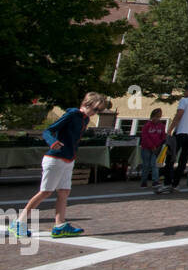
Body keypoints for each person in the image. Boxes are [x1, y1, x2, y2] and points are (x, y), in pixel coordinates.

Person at [8, 93, 111, 238]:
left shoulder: (85, 119)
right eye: (95, 109)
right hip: (55, 158)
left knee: (64, 192)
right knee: (45, 192)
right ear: (86, 104)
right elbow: (48, 130)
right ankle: (18, 223)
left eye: (98, 111)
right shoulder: (72, 115)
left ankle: (60, 225)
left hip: (68, 159)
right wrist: (53, 142)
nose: (95, 113)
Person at [159, 86, 188, 194]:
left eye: (185, 90)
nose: (184, 92)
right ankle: (176, 184)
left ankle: (167, 183)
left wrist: (170, 129)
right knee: (183, 160)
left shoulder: (184, 101)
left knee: (171, 158)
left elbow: (179, 115)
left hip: (181, 132)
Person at [138, 108, 167, 187]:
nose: (157, 119)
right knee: (146, 165)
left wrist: (158, 146)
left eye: (159, 117)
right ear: (152, 116)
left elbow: (163, 137)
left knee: (155, 164)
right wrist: (151, 146)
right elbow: (145, 136)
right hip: (146, 148)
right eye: (156, 117)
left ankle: (155, 181)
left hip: (156, 148)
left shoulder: (161, 126)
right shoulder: (147, 125)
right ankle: (144, 181)